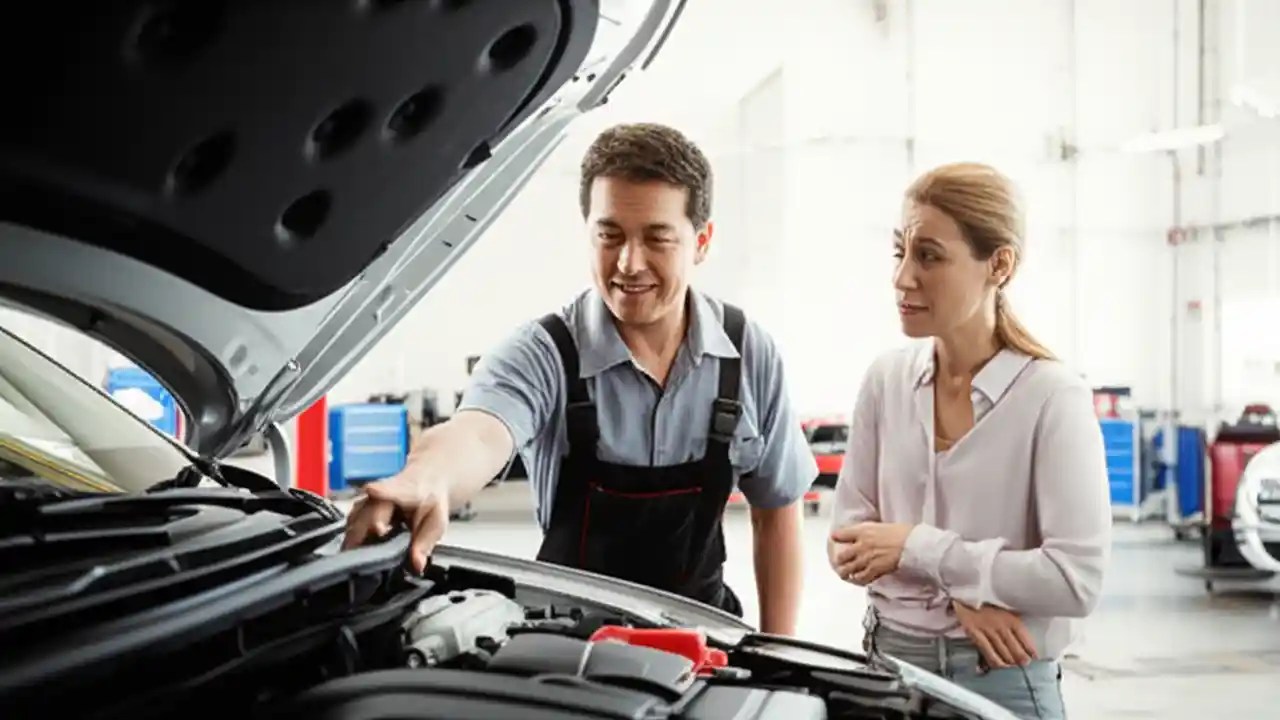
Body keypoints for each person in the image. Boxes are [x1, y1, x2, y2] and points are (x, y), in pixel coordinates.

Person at [344, 122, 817, 635]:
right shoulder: (542, 353)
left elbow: (776, 512)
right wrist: (426, 478)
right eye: (609, 235)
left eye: (657, 238)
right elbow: (478, 432)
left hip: (702, 639)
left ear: (700, 241)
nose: (629, 263)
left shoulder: (749, 354)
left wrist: (780, 654)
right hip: (571, 645)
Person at [826, 162, 1111, 719]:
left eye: (929, 256)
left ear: (999, 265)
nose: (903, 277)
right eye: (899, 252)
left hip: (1001, 681)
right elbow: (847, 546)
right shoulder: (886, 380)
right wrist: (963, 590)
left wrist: (915, 547)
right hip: (885, 669)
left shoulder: (1054, 397)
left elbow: (1076, 580)